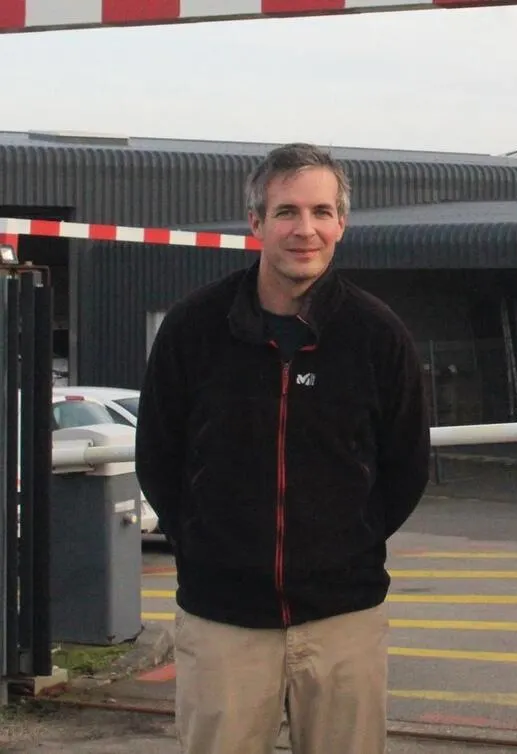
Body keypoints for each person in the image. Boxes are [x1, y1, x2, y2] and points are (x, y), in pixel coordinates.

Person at [135, 142, 431, 754]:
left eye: (322, 212)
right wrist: (209, 552)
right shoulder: (194, 328)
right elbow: (157, 455)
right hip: (223, 624)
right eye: (287, 212)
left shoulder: (378, 336)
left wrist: (344, 548)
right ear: (256, 222)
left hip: (343, 622)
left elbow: (405, 468)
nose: (306, 229)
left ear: (341, 224)